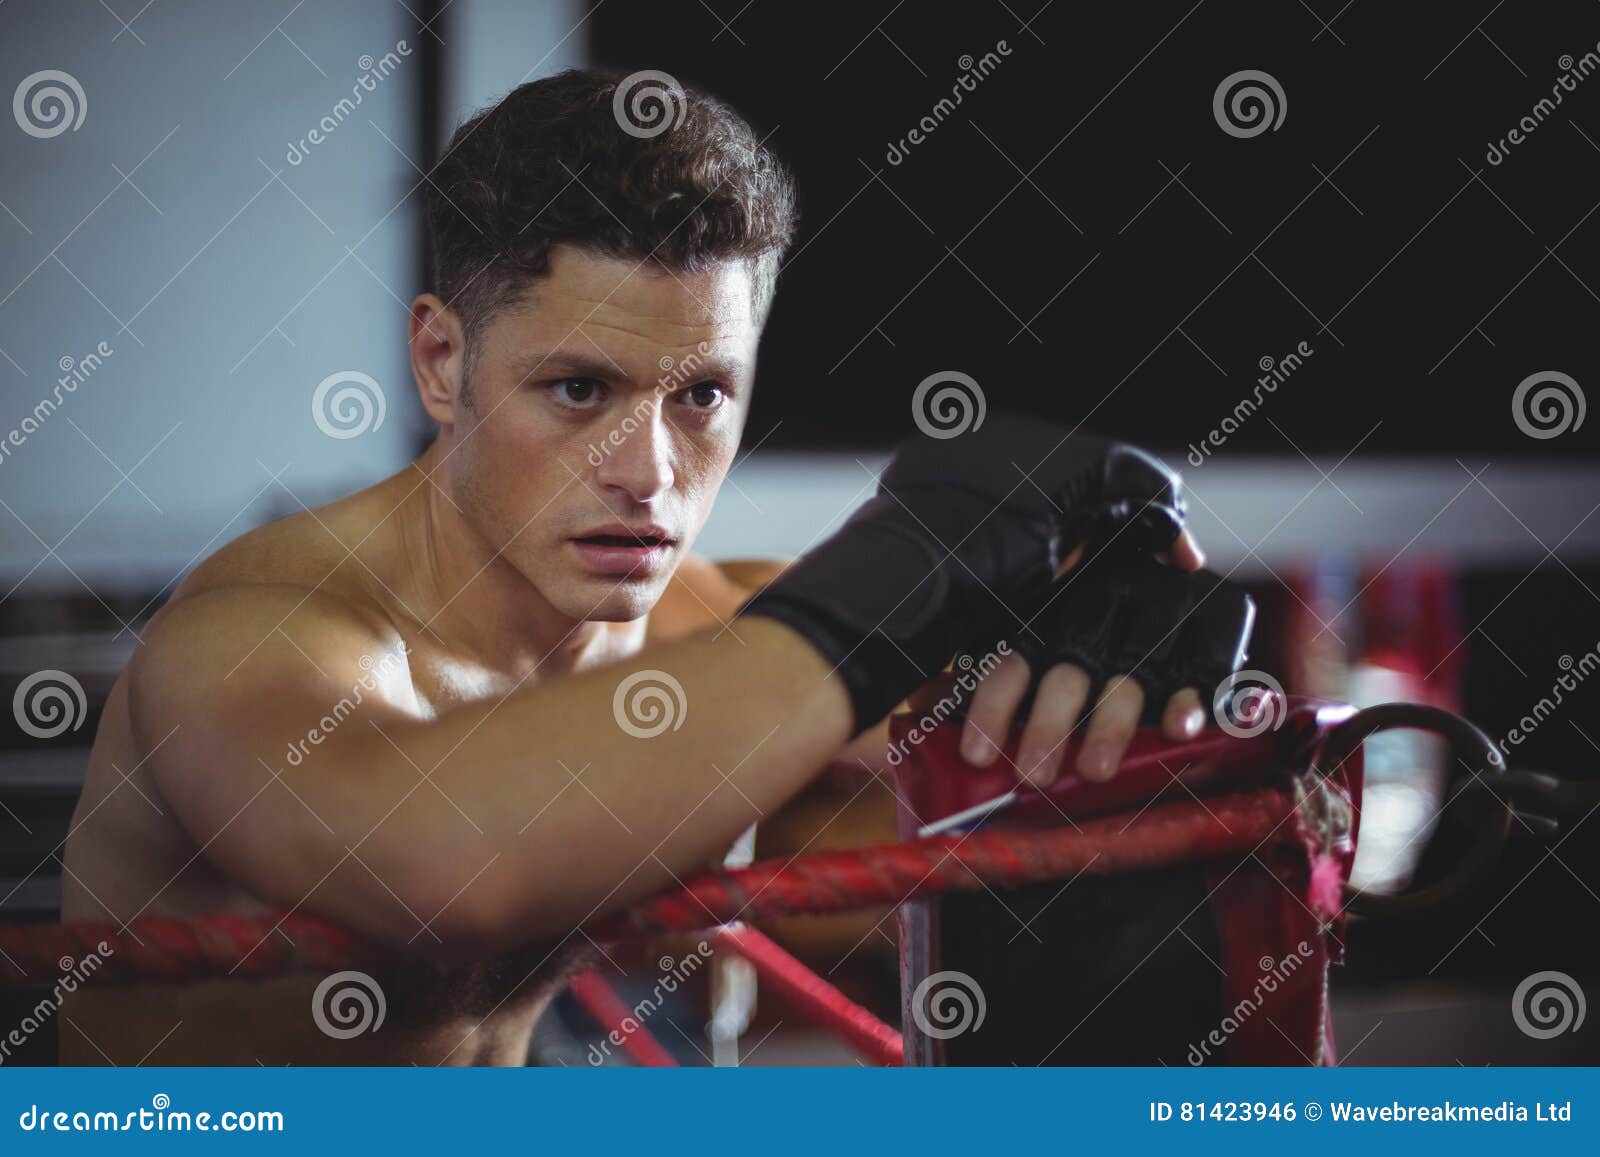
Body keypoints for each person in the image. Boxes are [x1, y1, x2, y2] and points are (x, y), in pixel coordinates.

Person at [58, 69, 1232, 1066]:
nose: (649, 473)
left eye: (702, 395)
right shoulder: (251, 643)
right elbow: (440, 858)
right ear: (437, 361)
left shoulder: (701, 627)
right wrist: (918, 554)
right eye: (580, 391)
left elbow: (988, 746)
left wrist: (1102, 633)